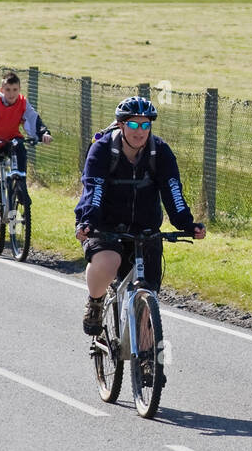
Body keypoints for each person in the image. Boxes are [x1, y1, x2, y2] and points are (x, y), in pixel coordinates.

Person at [74, 97, 205, 336]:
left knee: (148, 298)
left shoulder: (160, 152)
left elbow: (172, 189)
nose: (140, 131)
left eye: (145, 125)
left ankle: (147, 365)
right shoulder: (102, 150)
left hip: (145, 230)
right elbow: (95, 189)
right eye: (133, 125)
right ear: (121, 125)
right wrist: (88, 222)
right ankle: (95, 302)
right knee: (108, 263)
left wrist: (187, 223)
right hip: (104, 225)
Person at [0, 71, 52, 244]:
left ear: (19, 89)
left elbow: (33, 119)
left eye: (15, 89)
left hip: (11, 141)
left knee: (20, 147)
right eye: (8, 90)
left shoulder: (23, 103)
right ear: (2, 89)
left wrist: (44, 133)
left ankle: (20, 185)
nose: (11, 94)